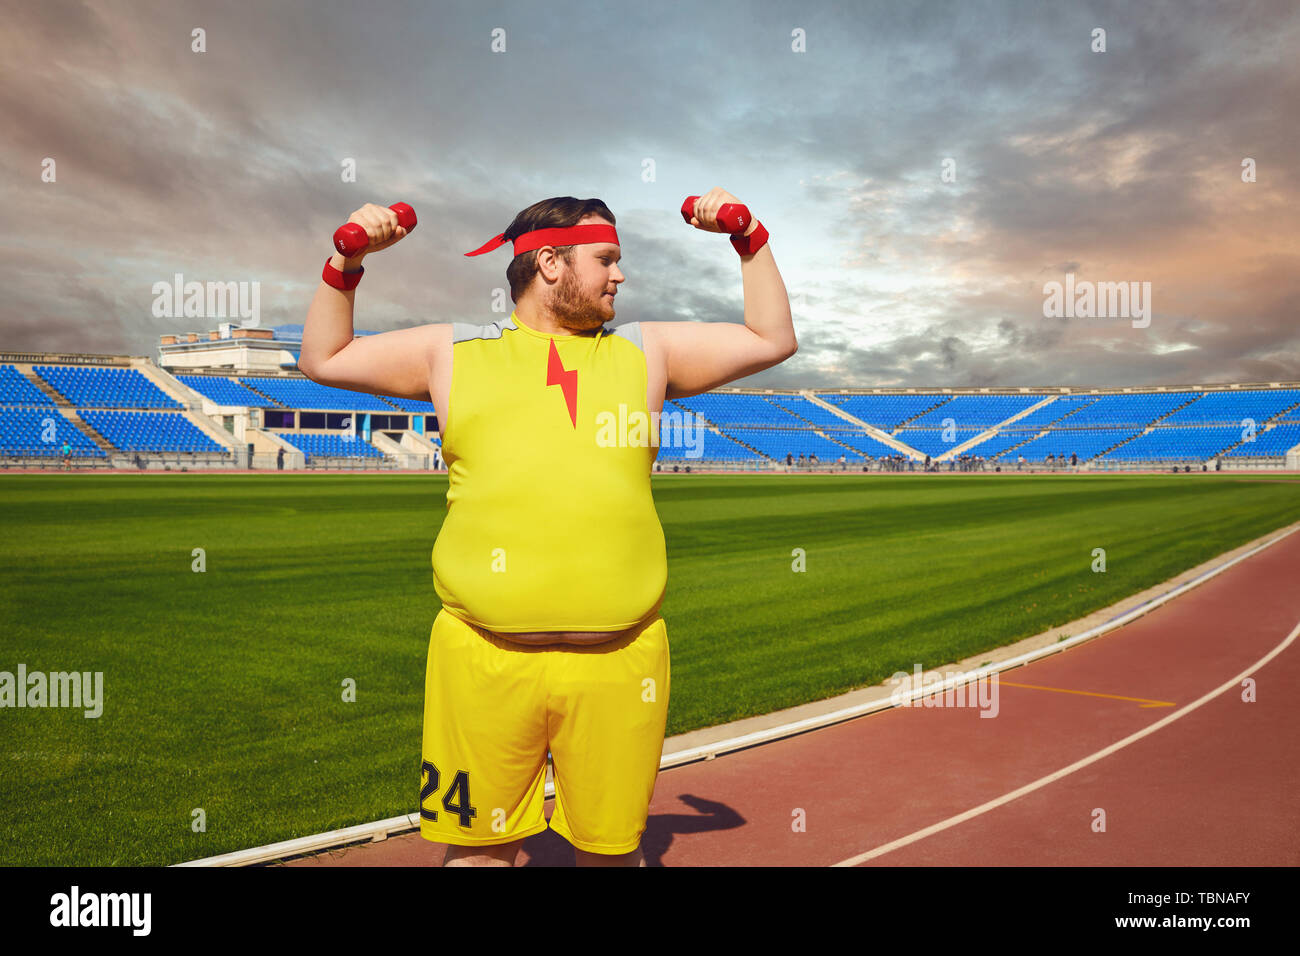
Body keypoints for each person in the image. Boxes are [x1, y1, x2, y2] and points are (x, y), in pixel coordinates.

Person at [300, 193, 794, 867]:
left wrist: (749, 235)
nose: (620, 276)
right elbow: (324, 358)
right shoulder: (453, 353)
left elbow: (773, 339)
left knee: (608, 855)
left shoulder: (647, 353)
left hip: (622, 665)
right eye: (607, 260)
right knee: (478, 855)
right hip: (480, 662)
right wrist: (347, 260)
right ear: (550, 262)